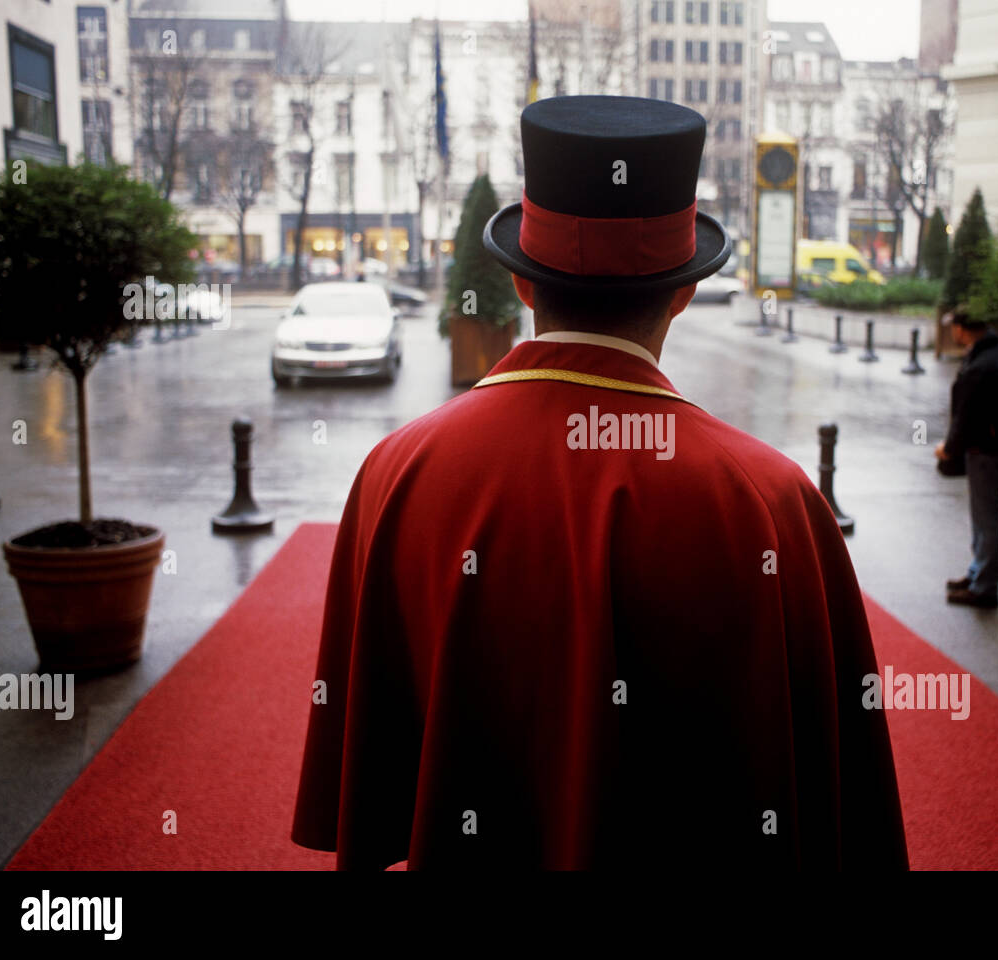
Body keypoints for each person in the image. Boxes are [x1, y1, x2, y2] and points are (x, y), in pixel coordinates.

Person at [291, 95, 907, 870]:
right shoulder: (775, 504)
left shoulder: (396, 472)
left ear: (521, 284)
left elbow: (368, 776)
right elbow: (837, 803)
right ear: (683, 292)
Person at [934, 307, 998, 608]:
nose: (952, 332)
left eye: (954, 327)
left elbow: (966, 415)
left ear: (962, 329)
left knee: (986, 520)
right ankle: (977, 573)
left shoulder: (982, 365)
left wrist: (948, 449)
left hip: (988, 449)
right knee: (984, 517)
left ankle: (984, 586)